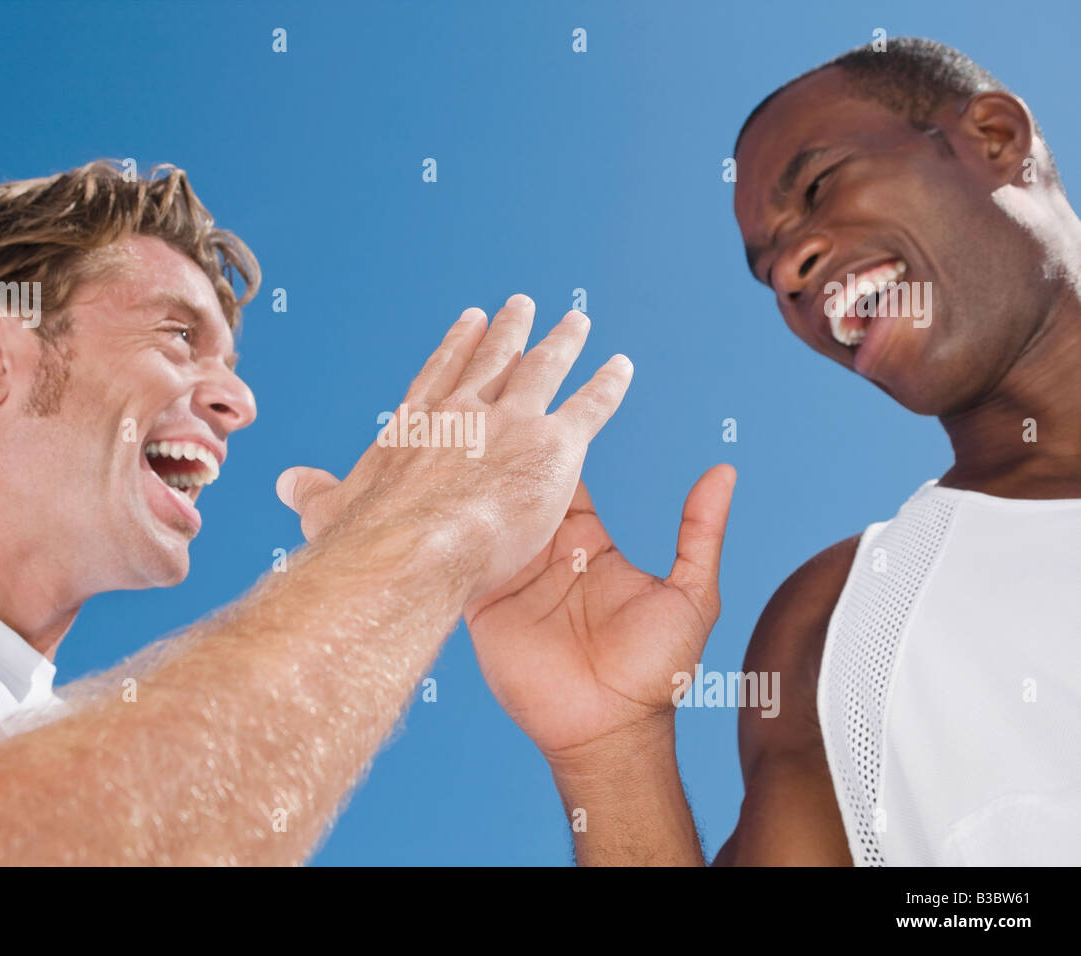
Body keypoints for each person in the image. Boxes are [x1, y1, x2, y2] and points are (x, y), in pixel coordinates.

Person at [0, 161, 697, 865]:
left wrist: (610, 754)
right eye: (178, 334)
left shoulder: (59, 745)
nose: (238, 401)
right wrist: (421, 545)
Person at [462, 38, 1081, 865]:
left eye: (821, 185)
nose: (792, 266)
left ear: (996, 138)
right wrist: (609, 751)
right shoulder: (828, 632)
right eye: (769, 270)